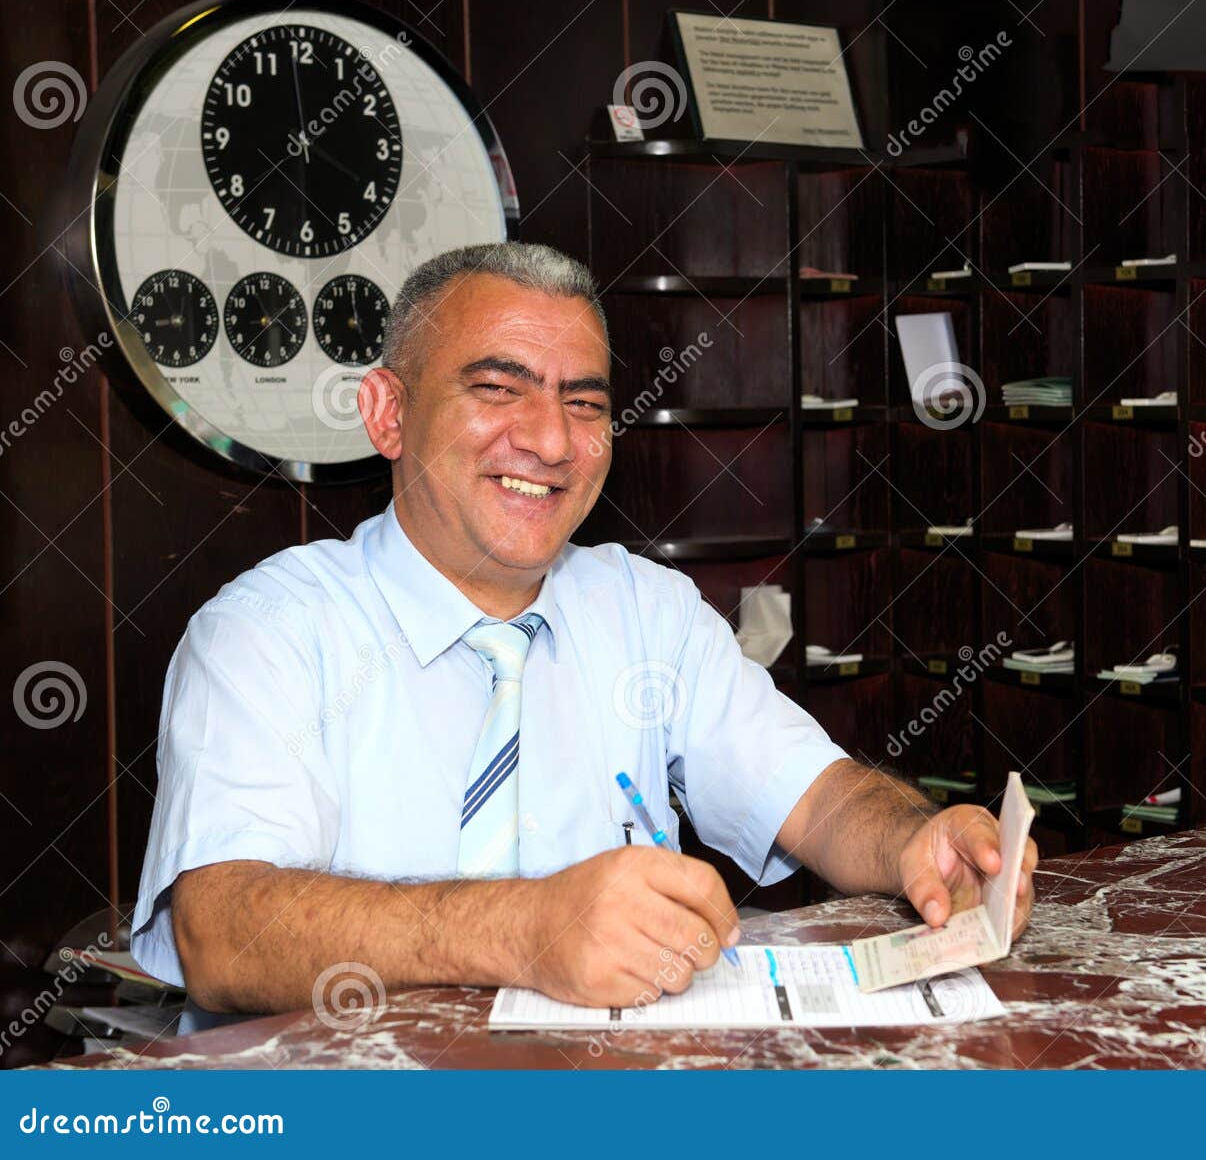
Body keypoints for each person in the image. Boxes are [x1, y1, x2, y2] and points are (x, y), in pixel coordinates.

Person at [131, 242, 1038, 1015]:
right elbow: (223, 927)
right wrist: (527, 929)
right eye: (499, 387)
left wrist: (916, 840)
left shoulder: (646, 609)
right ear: (389, 413)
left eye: (586, 403)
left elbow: (820, 798)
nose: (552, 442)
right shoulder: (267, 630)